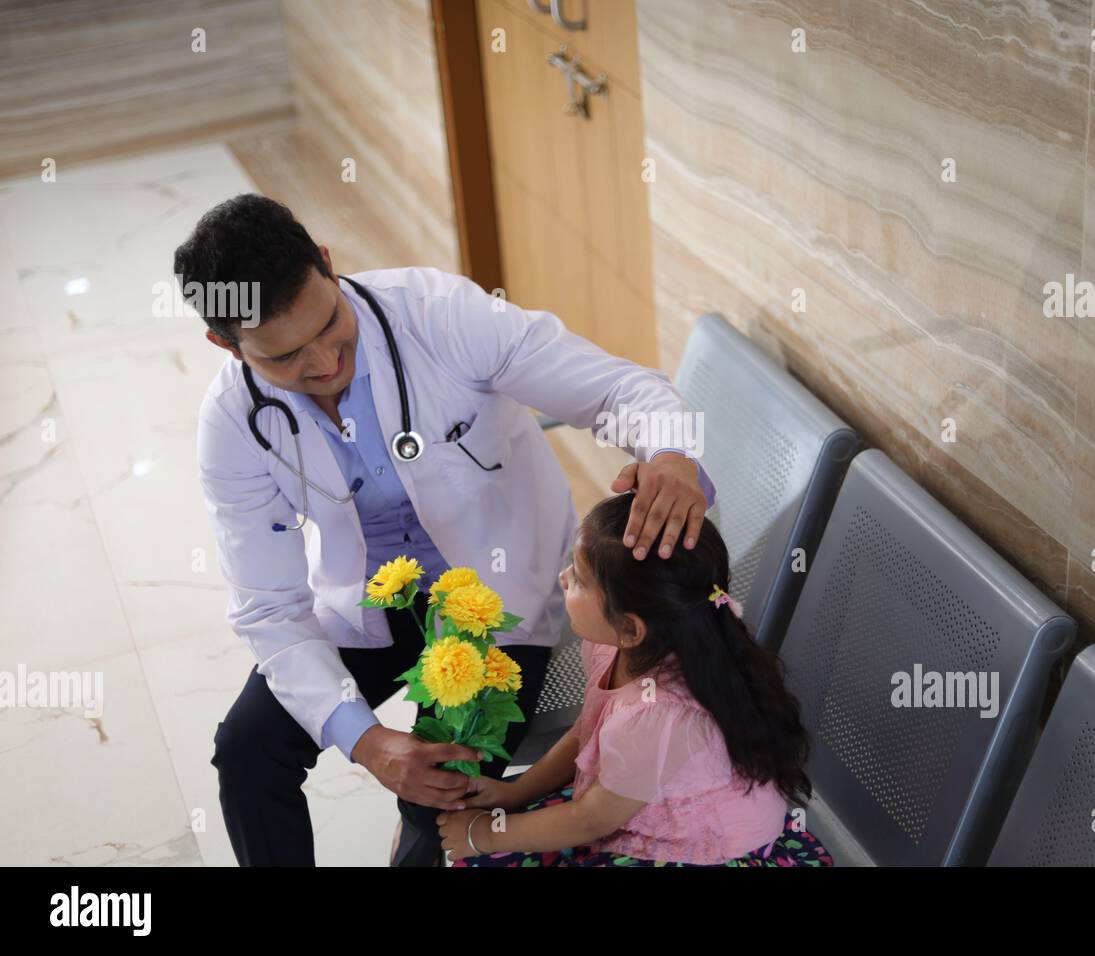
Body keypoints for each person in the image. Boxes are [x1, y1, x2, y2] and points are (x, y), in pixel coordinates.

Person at [179, 194, 716, 865]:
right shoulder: (232, 424)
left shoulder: (438, 315)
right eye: (285, 358)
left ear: (326, 263)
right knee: (248, 752)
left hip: (494, 601)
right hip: (370, 603)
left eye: (332, 328)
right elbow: (271, 607)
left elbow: (616, 389)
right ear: (225, 344)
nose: (322, 364)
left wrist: (669, 453)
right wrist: (368, 741)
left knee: (439, 801)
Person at [436, 492, 833, 866]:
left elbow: (591, 821)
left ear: (630, 627)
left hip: (699, 849)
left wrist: (483, 835)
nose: (562, 579)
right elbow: (587, 731)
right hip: (624, 806)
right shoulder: (617, 646)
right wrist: (515, 792)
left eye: (578, 579)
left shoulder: (658, 715)